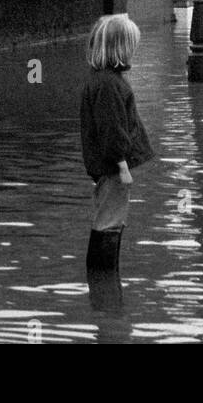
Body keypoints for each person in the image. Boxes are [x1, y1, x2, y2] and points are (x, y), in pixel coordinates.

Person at [80, 14, 155, 274]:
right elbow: (112, 132)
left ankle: (103, 285)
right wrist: (122, 166)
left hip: (109, 166)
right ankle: (103, 279)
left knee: (110, 218)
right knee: (109, 222)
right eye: (132, 46)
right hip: (112, 167)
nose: (135, 52)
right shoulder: (109, 85)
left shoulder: (103, 80)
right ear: (120, 49)